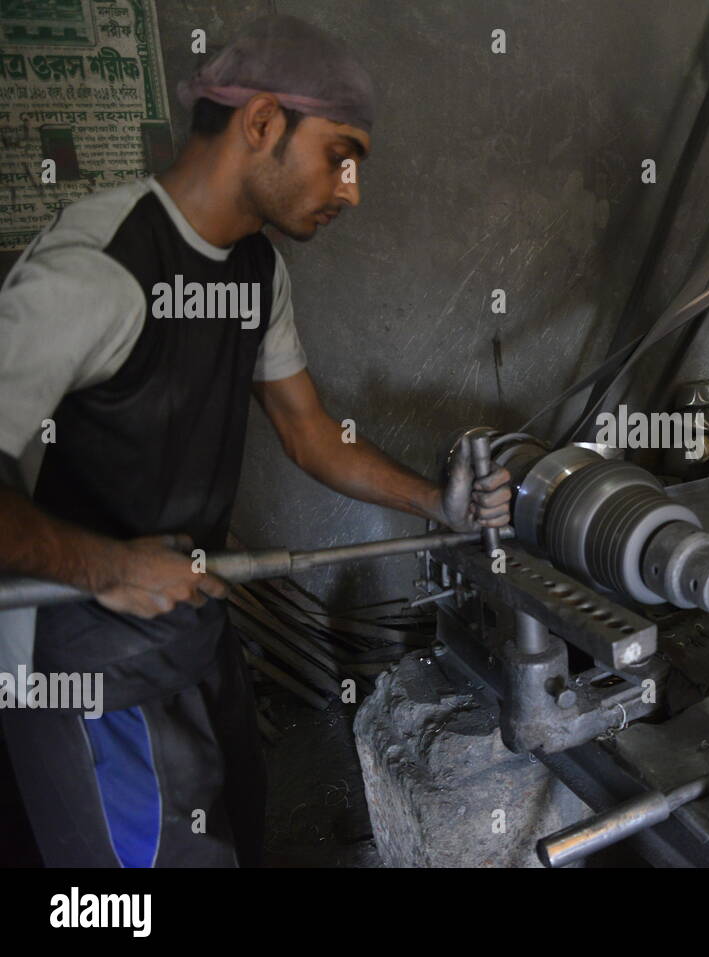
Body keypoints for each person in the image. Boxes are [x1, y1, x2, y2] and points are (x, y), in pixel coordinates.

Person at [0, 15, 510, 866]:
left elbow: (308, 431)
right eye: (341, 154)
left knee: (240, 826)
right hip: (84, 675)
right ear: (263, 122)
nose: (351, 190)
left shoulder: (252, 269)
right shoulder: (97, 271)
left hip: (194, 633)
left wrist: (435, 500)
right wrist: (114, 567)